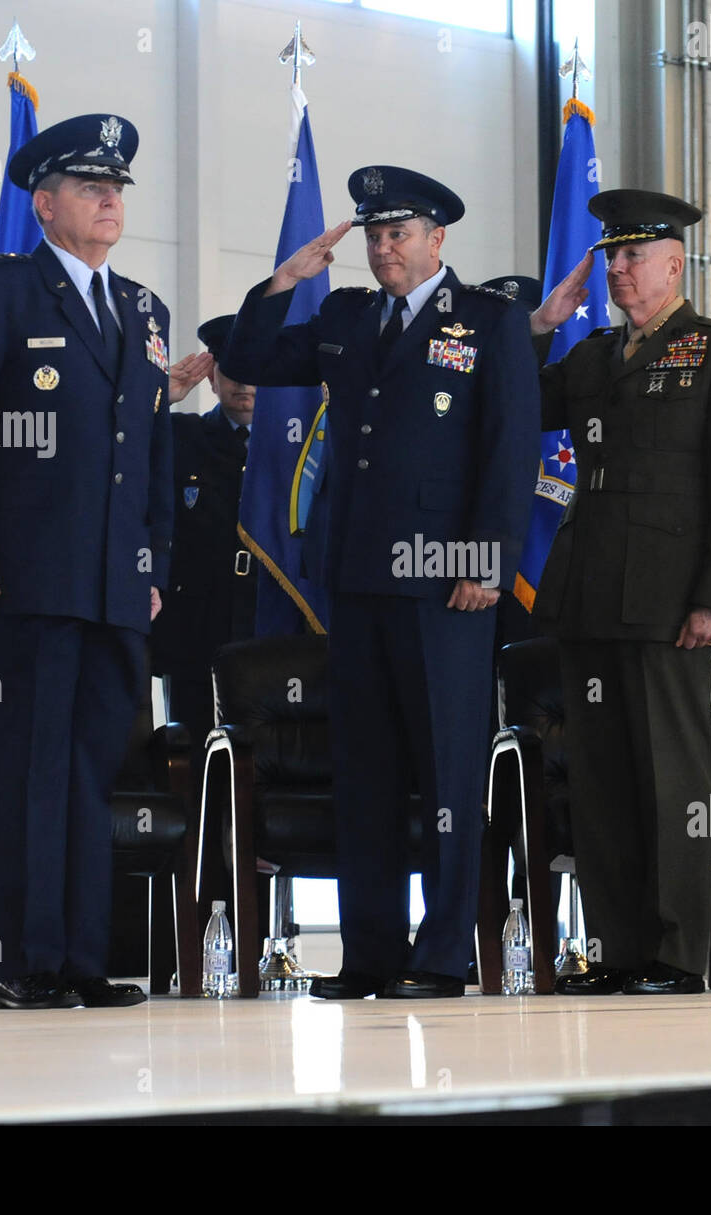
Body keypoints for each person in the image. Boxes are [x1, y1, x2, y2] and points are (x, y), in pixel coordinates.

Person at [220, 166, 539, 998]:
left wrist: (487, 557)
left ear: (438, 239)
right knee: (362, 771)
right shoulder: (344, 315)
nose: (383, 246)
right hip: (357, 575)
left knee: (446, 773)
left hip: (446, 585)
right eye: (373, 233)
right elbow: (248, 353)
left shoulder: (487, 321)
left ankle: (441, 955)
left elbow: (509, 447)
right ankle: (368, 953)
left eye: (399, 232)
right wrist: (285, 278)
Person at [0, 113, 174, 1010]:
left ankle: (77, 958)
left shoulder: (143, 308)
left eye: (117, 189)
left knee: (91, 770)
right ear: (44, 203)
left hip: (112, 581)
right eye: (91, 186)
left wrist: (153, 565)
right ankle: (22, 961)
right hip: (20, 574)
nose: (110, 200)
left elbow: (150, 447)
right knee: (31, 766)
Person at [530, 189, 711, 995]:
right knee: (601, 782)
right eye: (611, 256)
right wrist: (538, 325)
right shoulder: (594, 356)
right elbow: (519, 405)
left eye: (636, 256)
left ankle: (675, 953)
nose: (620, 270)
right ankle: (619, 947)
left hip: (671, 602)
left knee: (672, 781)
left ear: (675, 263)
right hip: (590, 593)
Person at [152, 315, 257, 759]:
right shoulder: (181, 436)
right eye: (232, 371)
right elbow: (112, 445)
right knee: (192, 751)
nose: (245, 385)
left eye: (258, 373)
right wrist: (159, 399)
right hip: (195, 625)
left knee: (269, 752)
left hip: (268, 621)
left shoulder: (301, 451)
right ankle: (199, 830)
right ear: (212, 378)